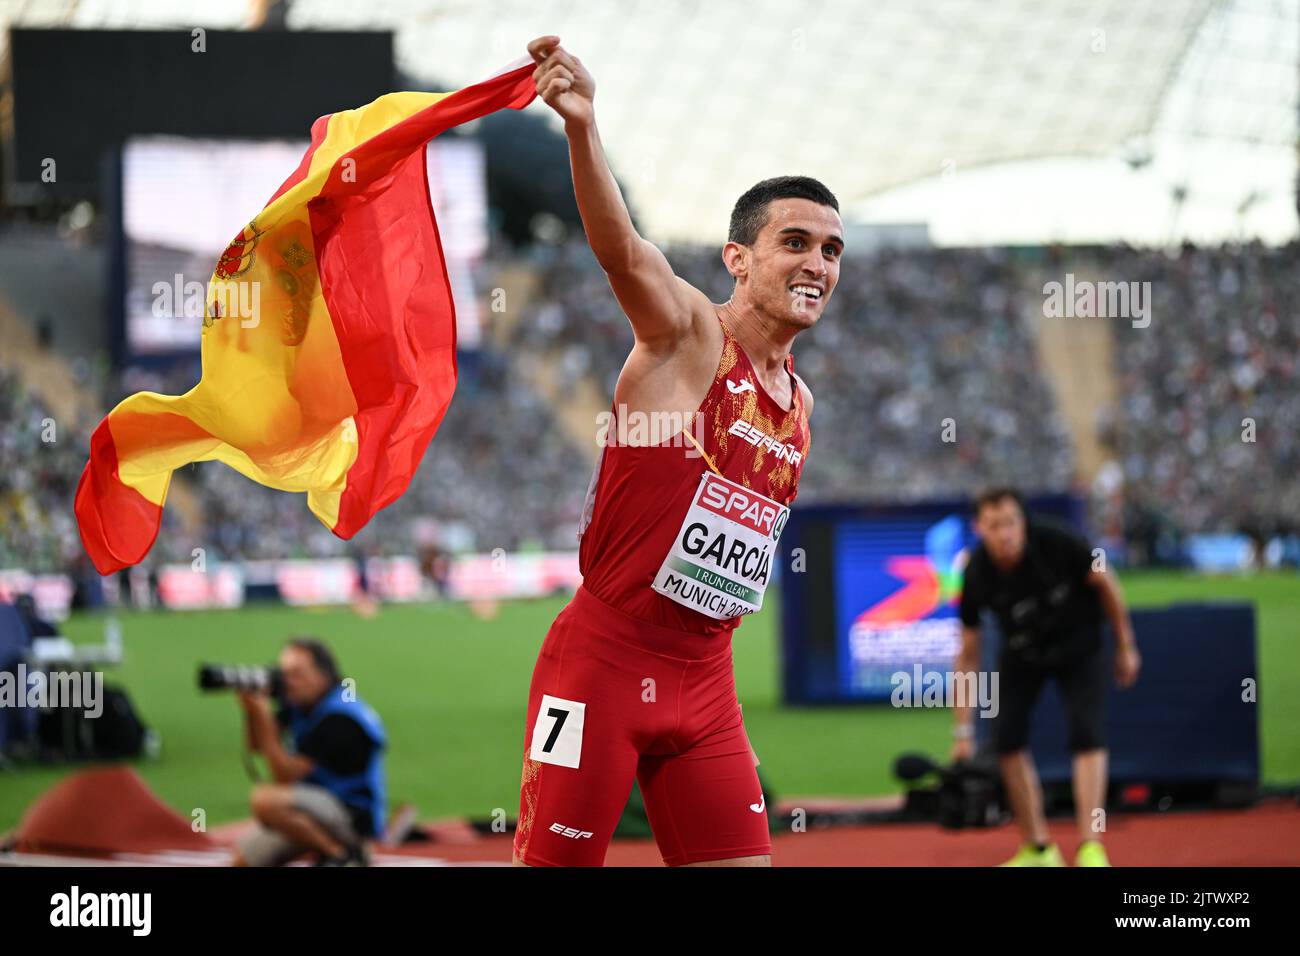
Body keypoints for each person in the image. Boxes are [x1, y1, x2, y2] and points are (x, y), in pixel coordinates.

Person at [513, 35, 842, 866]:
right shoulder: (689, 337)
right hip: (599, 668)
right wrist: (582, 127)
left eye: (832, 250)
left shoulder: (802, 404)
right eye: (795, 242)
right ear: (738, 259)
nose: (817, 263)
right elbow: (622, 251)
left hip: (707, 685)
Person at [952, 488, 1141, 867]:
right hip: (1024, 651)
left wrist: (1125, 646)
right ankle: (1039, 849)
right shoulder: (975, 574)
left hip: (1079, 644)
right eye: (993, 525)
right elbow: (968, 654)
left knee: (1086, 734)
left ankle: (1091, 845)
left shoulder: (1057, 540)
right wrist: (963, 733)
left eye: (1010, 523)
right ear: (979, 529)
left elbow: (1107, 583)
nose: (1004, 533)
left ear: (1023, 522)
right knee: (1005, 740)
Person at [232, 638, 387, 867]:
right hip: (309, 809)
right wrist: (251, 712)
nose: (288, 683)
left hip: (351, 814)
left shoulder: (341, 718)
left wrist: (264, 715)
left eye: (297, 674)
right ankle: (330, 851)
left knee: (265, 800)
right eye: (284, 674)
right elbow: (256, 746)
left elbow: (283, 777)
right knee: (244, 860)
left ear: (323, 675)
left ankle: (342, 854)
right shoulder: (302, 703)